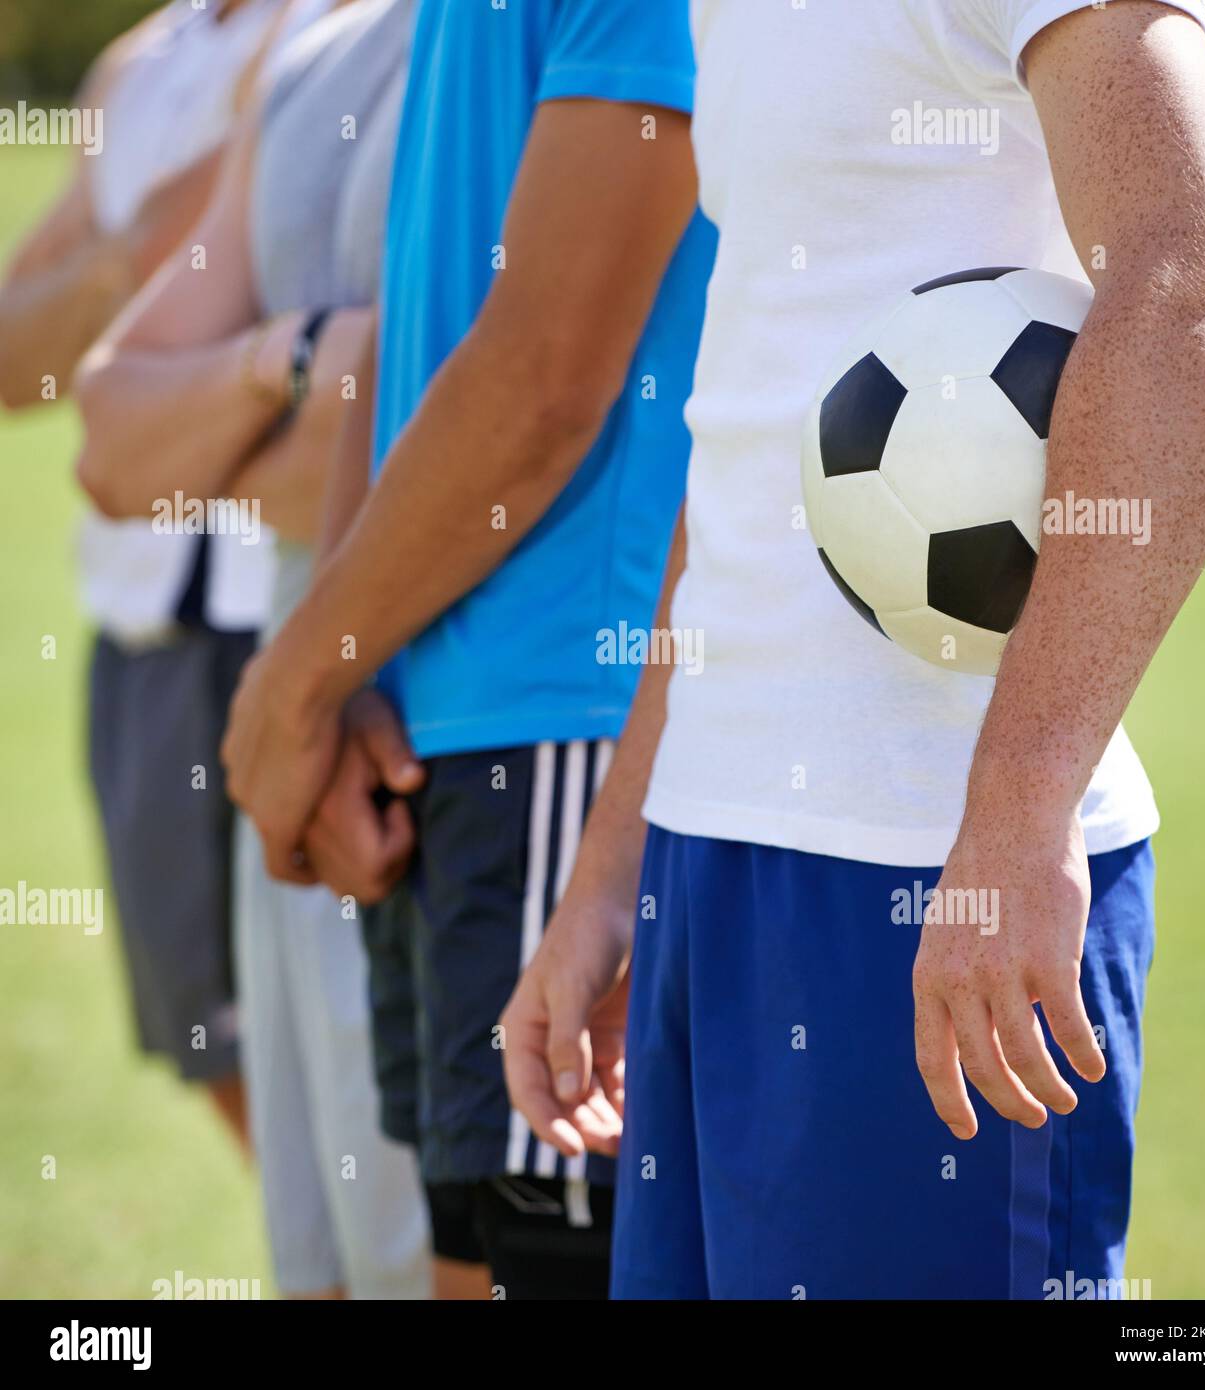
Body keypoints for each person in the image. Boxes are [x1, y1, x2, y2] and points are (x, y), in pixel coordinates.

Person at [501, 0, 1205, 1299]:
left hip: (931, 881)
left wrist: (1020, 812)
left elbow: (1191, 295)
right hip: (710, 862)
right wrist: (608, 874)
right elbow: (750, 428)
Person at [219, 0, 716, 1297]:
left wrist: (293, 685)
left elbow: (549, 377)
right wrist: (342, 672)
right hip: (444, 718)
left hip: (572, 717)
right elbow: (413, 330)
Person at [74, 0, 429, 1300]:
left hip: (423, 750)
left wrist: (228, 413)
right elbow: (108, 437)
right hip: (286, 736)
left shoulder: (515, 32)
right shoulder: (307, 52)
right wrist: (290, 359)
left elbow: (456, 421)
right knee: (319, 1261)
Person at [0, 0, 333, 1147]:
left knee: (343, 1088)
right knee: (222, 1063)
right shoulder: (137, 65)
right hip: (142, 637)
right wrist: (125, 262)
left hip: (284, 619)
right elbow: (11, 357)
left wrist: (114, 275)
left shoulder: (335, 28)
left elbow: (169, 271)